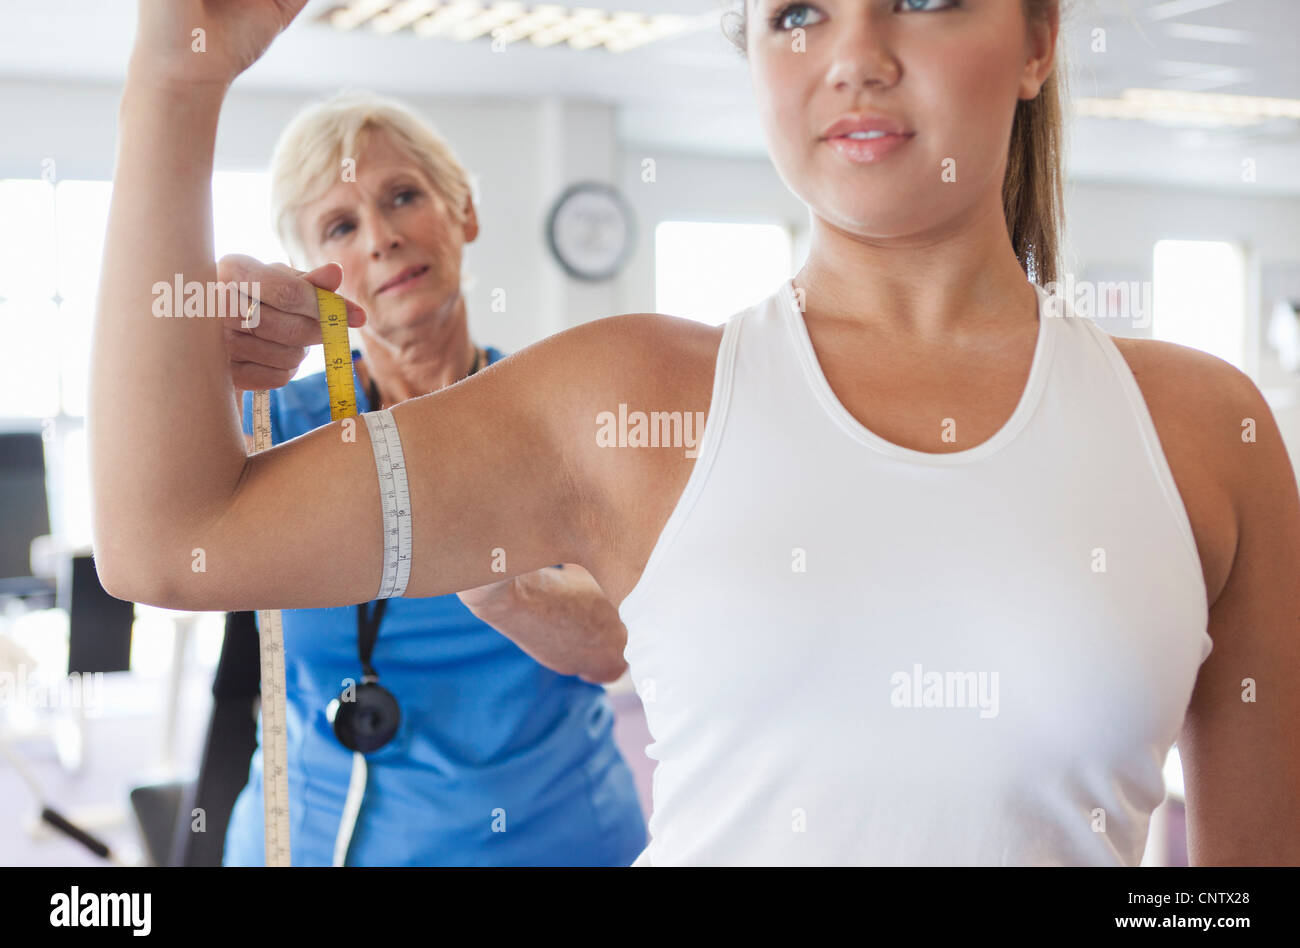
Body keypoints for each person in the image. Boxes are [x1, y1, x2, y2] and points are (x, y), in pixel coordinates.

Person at [91, 0, 1300, 865]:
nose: (857, 56)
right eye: (797, 16)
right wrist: (176, 80)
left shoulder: (1204, 430)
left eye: (924, 0)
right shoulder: (624, 396)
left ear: (1038, 37)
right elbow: (169, 538)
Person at [214, 92, 646, 866]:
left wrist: (507, 589)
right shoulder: (269, 427)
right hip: (320, 839)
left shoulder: (559, 412)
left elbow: (616, 647)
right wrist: (189, 365)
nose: (381, 238)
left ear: (464, 212)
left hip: (551, 839)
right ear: (316, 273)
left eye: (403, 196)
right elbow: (144, 556)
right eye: (340, 226)